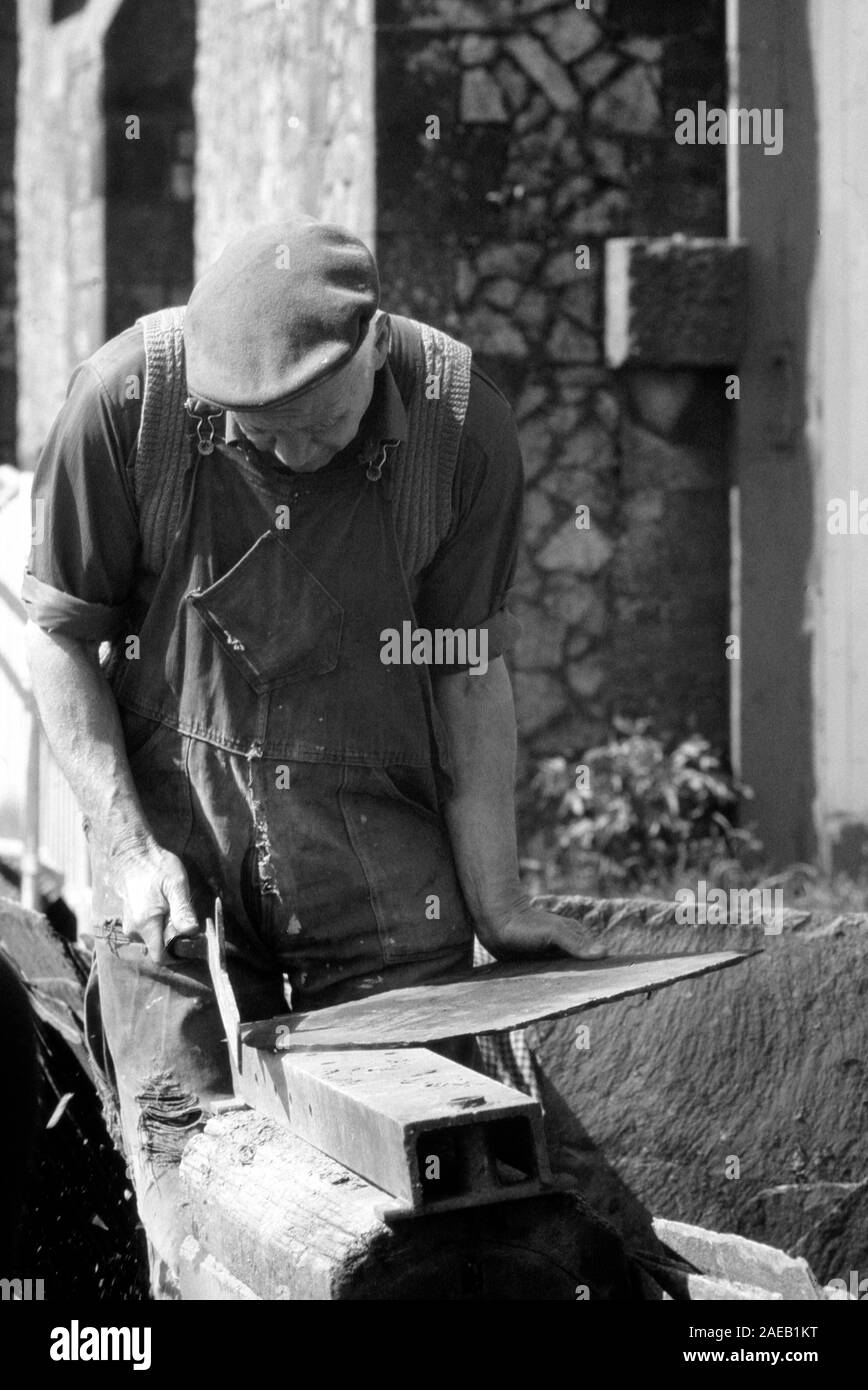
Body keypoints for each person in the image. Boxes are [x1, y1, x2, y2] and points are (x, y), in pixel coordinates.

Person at [23, 216, 604, 1296]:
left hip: (373, 840)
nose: (287, 457)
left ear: (376, 342)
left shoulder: (460, 428)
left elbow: (464, 667)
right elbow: (58, 634)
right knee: (182, 1156)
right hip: (166, 831)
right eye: (258, 435)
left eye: (313, 428)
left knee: (430, 1178)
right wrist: (125, 842)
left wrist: (498, 895)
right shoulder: (123, 405)